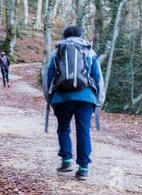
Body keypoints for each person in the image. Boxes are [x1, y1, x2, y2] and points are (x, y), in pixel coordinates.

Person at [43, 25, 102, 180]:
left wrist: (49, 97)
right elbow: (98, 77)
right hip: (86, 98)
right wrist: (99, 99)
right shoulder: (89, 51)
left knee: (63, 129)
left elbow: (47, 76)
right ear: (81, 35)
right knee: (83, 131)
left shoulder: (56, 52)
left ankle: (66, 160)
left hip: (62, 97)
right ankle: (83, 169)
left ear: (64, 36)